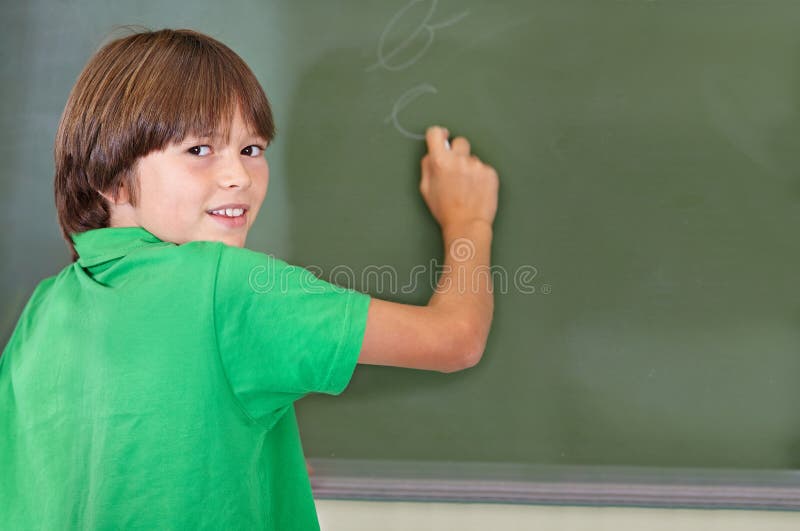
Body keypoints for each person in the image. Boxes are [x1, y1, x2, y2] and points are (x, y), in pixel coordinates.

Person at [0, 28, 498, 530]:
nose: (238, 175)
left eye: (252, 149)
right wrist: (468, 222)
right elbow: (455, 340)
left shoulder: (44, 311)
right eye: (199, 150)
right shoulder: (226, 287)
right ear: (110, 175)